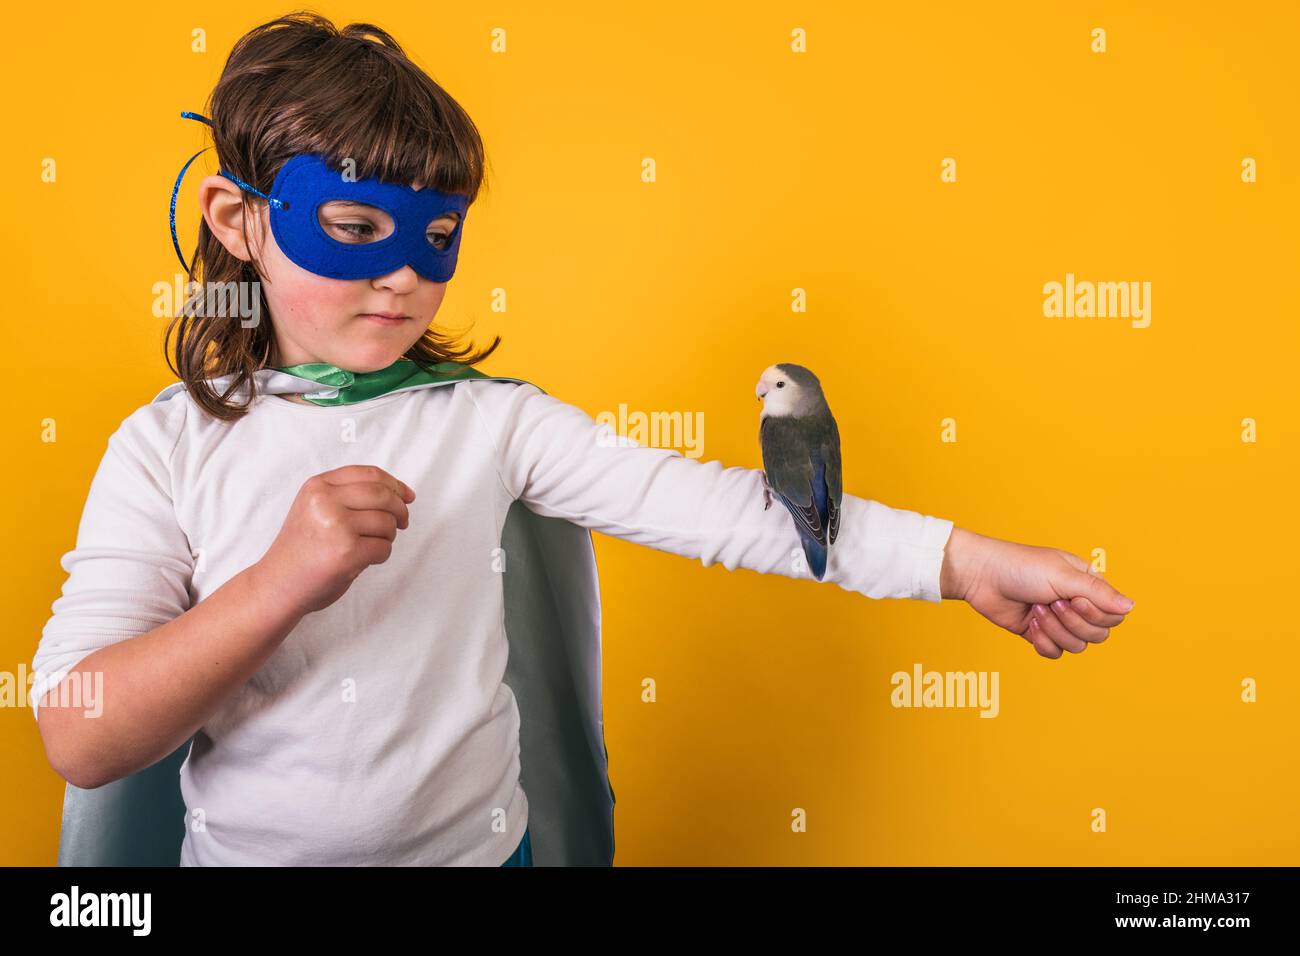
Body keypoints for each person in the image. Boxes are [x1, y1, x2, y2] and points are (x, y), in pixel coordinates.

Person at [29, 12, 1133, 867]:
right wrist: (278, 581)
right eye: (357, 229)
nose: (405, 271)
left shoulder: (496, 423)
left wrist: (965, 561)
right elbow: (81, 735)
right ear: (239, 219)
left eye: (439, 235)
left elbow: (733, 510)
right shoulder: (161, 450)